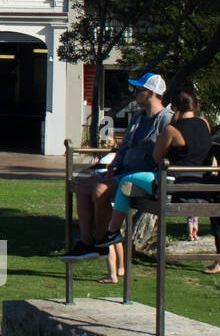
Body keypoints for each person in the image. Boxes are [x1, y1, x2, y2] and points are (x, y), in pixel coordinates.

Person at [97, 88, 211, 283]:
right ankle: (114, 233)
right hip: (200, 183)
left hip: (173, 184)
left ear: (173, 107)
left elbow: (157, 157)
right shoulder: (205, 124)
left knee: (126, 181)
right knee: (128, 183)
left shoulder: (172, 129)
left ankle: (113, 230)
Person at [65, 73, 173, 261]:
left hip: (143, 175)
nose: (135, 95)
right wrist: (113, 165)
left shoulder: (166, 119)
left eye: (138, 91)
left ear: (150, 93)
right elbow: (124, 146)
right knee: (82, 186)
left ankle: (100, 242)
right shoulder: (138, 117)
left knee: (100, 191)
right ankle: (86, 242)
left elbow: (168, 151)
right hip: (123, 170)